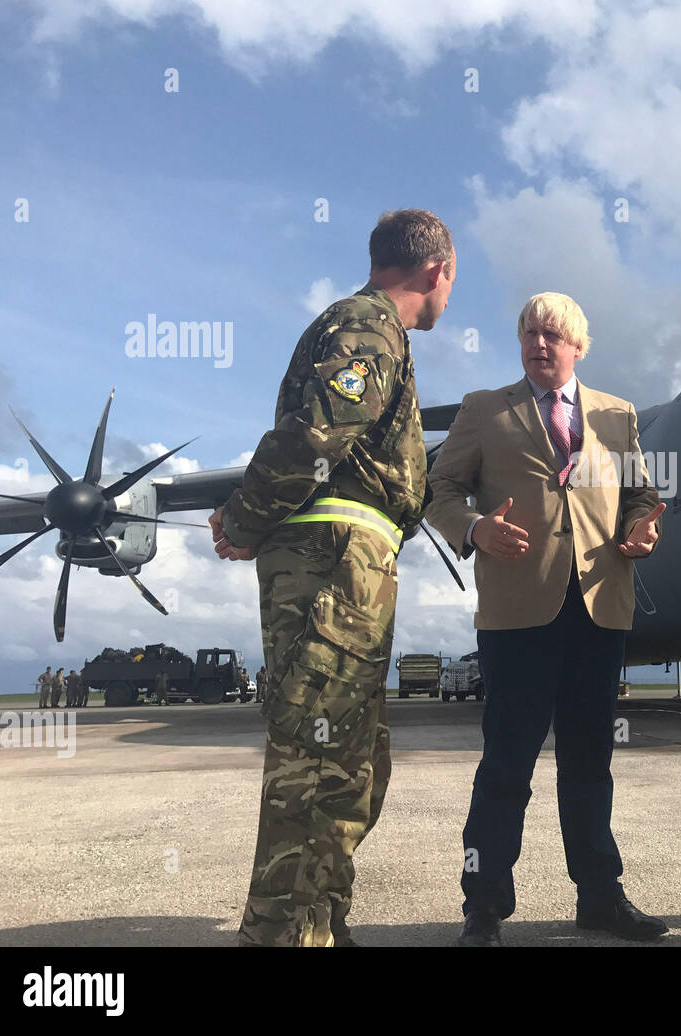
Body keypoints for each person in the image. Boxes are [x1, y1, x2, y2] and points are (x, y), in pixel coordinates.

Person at [212, 208, 455, 948]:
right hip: (332, 562)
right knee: (316, 759)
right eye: (452, 281)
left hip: (357, 564)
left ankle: (317, 917)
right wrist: (246, 518)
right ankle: (285, 932)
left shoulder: (375, 329)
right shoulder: (368, 324)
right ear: (436, 271)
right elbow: (318, 434)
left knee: (351, 764)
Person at [426, 291, 667, 946]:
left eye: (554, 334)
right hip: (517, 614)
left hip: (598, 604)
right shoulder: (483, 411)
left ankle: (600, 895)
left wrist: (643, 527)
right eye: (531, 332)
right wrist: (474, 528)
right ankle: (483, 904)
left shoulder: (618, 416)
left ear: (578, 346)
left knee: (590, 761)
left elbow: (640, 493)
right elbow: (438, 490)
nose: (540, 342)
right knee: (507, 763)